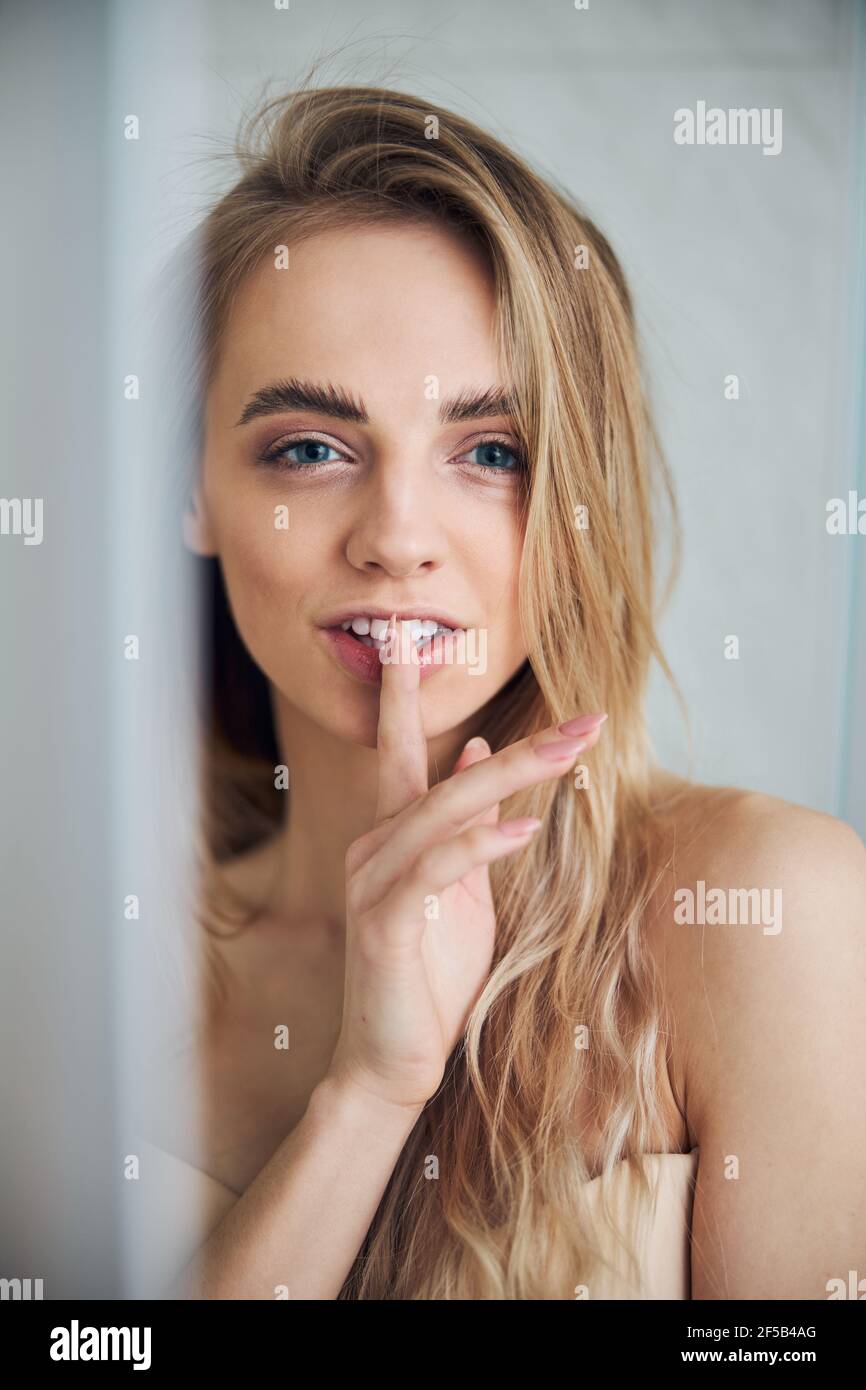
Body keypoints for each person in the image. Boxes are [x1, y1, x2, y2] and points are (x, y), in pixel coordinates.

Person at [139, 83, 866, 1300]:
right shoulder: (81, 979)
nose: (398, 538)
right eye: (309, 448)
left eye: (491, 452)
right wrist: (366, 1097)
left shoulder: (763, 909)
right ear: (192, 489)